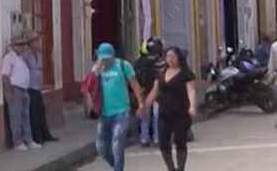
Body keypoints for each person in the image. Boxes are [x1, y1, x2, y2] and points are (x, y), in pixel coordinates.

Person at [84, 43, 145, 171]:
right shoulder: (96, 69)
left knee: (117, 143)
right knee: (101, 146)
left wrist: (141, 104)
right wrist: (96, 72)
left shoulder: (123, 66)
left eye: (108, 58)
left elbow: (134, 85)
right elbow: (88, 88)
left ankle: (118, 168)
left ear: (113, 56)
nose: (105, 61)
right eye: (103, 58)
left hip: (121, 112)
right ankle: (114, 164)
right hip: (104, 113)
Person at [140, 47, 197, 171]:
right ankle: (171, 168)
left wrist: (192, 106)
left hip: (181, 113)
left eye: (173, 56)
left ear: (179, 58)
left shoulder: (185, 74)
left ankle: (180, 168)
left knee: (180, 141)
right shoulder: (162, 74)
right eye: (168, 56)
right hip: (164, 113)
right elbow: (155, 91)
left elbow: (190, 90)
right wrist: (144, 106)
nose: (170, 59)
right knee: (163, 142)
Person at [2, 34, 40, 151]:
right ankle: (18, 142)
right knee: (16, 117)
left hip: (24, 90)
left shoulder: (21, 57)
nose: (22, 47)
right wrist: (8, 92)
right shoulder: (9, 58)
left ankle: (28, 140)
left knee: (25, 117)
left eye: (23, 44)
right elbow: (5, 76)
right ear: (14, 46)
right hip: (15, 89)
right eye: (20, 45)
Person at [23, 32, 57, 144]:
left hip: (37, 87)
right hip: (30, 87)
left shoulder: (35, 54)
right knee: (34, 113)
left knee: (41, 112)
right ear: (30, 43)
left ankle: (45, 134)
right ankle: (37, 137)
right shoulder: (26, 55)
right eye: (36, 41)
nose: (38, 43)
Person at [132, 38, 163, 147]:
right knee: (154, 114)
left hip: (150, 91)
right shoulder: (157, 61)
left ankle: (148, 139)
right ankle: (152, 138)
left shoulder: (140, 62)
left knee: (150, 115)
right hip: (152, 92)